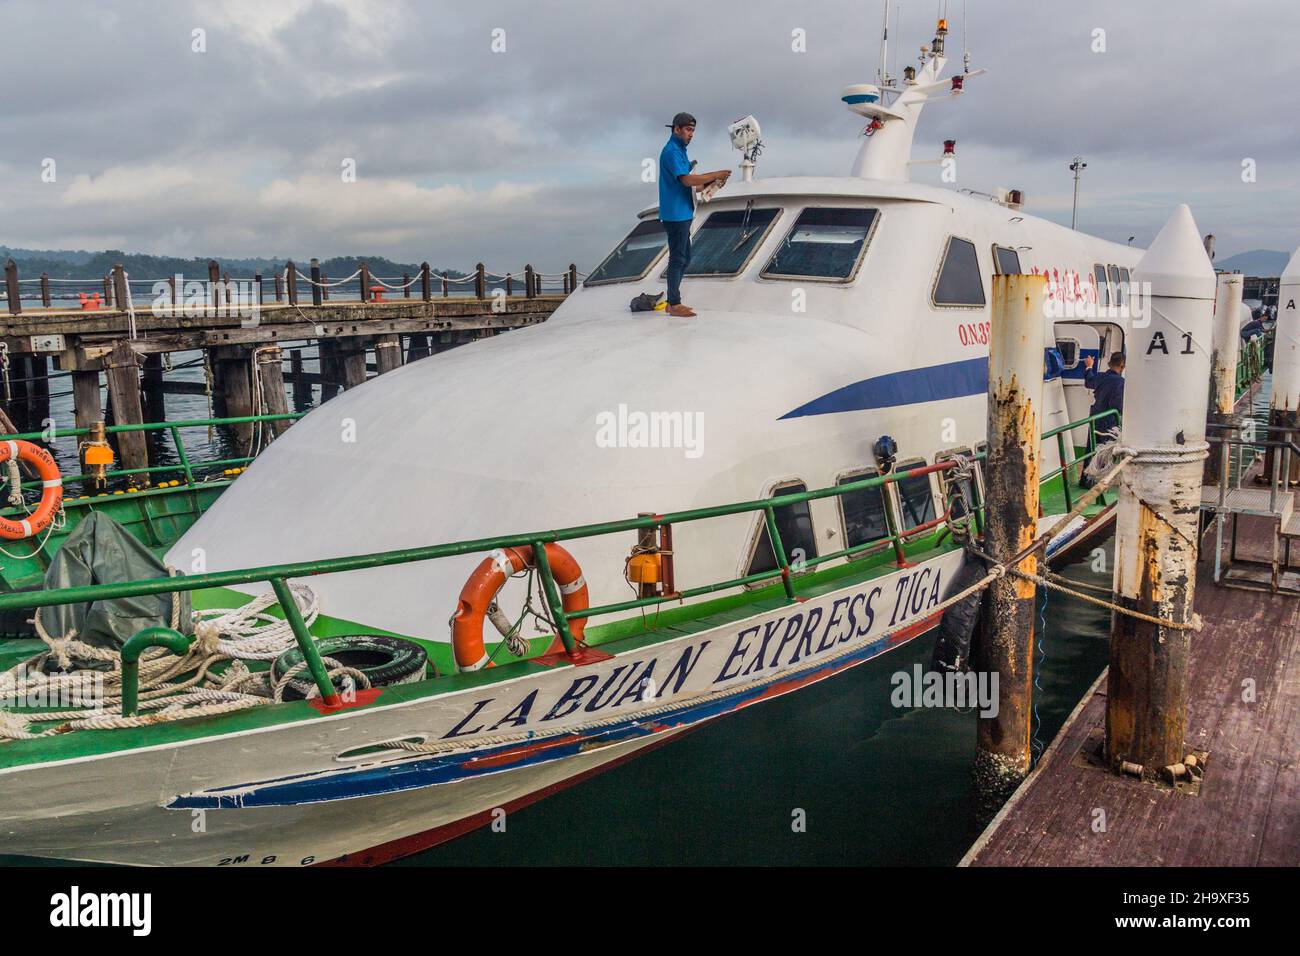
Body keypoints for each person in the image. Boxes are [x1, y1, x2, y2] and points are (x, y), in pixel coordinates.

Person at [658, 112, 731, 317]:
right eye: (688, 130)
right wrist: (716, 174)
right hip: (676, 215)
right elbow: (687, 181)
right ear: (676, 129)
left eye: (693, 131)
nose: (691, 134)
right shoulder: (671, 151)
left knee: (684, 257)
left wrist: (711, 183)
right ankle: (673, 303)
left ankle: (673, 301)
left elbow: (690, 186)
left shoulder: (679, 151)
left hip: (681, 213)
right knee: (678, 258)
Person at [1082, 351, 1125, 426]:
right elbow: (1119, 406)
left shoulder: (1100, 377)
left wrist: (1089, 367)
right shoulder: (1122, 383)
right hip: (1111, 422)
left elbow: (1089, 382)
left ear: (1109, 364)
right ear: (1122, 366)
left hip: (1095, 419)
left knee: (1093, 437)